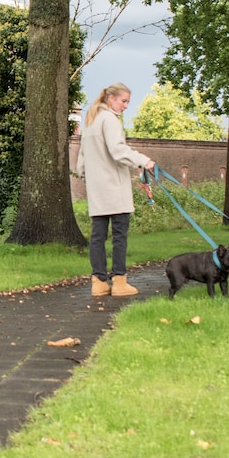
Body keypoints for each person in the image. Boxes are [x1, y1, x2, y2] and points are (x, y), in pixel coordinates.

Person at [76, 83, 155, 297]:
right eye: (124, 101)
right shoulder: (109, 120)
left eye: (128, 102)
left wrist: (88, 177)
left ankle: (99, 282)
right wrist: (143, 160)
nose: (126, 106)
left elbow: (81, 161)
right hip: (115, 188)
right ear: (111, 98)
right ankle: (119, 281)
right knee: (119, 235)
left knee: (98, 236)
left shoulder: (91, 121)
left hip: (97, 190)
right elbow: (118, 150)